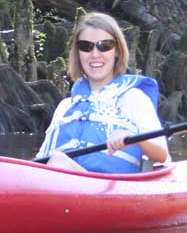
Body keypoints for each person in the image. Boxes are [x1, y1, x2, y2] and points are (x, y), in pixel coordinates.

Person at [36, 12, 170, 173]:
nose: (95, 54)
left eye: (104, 46)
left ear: (117, 51)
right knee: (56, 161)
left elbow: (162, 155)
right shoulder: (65, 107)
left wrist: (134, 139)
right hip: (65, 185)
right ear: (78, 53)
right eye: (85, 46)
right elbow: (39, 164)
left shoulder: (134, 99)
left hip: (114, 189)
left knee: (58, 161)